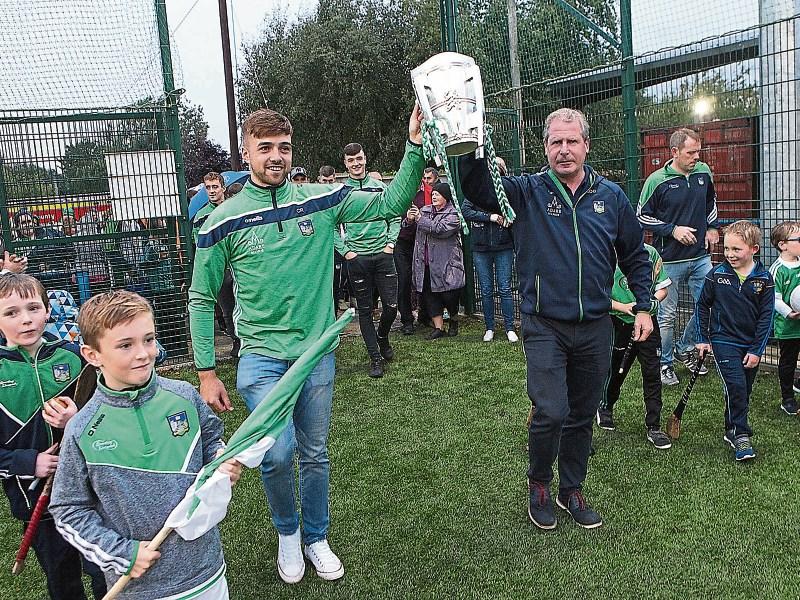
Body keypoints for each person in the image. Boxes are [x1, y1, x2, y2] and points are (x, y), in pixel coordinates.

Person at [189, 105, 424, 583]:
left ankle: (316, 536)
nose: (276, 156)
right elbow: (200, 294)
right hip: (260, 358)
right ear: (247, 151)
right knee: (276, 452)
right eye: (265, 148)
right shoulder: (222, 219)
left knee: (315, 452)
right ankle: (288, 534)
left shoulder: (321, 200)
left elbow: (389, 204)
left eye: (284, 148)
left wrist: (414, 144)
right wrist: (206, 370)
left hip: (316, 355)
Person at [460, 107, 653, 530]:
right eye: (555, 142)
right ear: (545, 148)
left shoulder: (612, 197)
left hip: (596, 325)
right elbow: (476, 187)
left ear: (586, 145)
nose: (564, 150)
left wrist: (642, 306)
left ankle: (572, 489)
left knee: (582, 413)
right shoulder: (527, 191)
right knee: (550, 409)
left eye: (572, 141)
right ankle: (540, 484)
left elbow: (636, 255)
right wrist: (470, 141)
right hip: (544, 323)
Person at [49, 290, 242, 599]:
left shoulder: (185, 396)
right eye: (126, 345)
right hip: (139, 590)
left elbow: (211, 440)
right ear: (92, 355)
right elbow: (67, 508)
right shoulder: (81, 429)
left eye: (149, 339)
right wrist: (121, 554)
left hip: (206, 573)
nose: (143, 353)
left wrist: (221, 461)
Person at [0, 273, 106, 600]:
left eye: (33, 308)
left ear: (48, 311)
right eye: (11, 312)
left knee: (104, 573)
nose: (26, 319)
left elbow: (112, 415)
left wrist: (77, 419)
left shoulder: (76, 357)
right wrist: (28, 461)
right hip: (37, 503)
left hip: (93, 493)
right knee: (62, 581)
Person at [638, 128, 719, 386]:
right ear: (674, 152)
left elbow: (711, 204)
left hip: (700, 258)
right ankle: (665, 364)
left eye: (698, 151)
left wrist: (713, 227)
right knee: (666, 316)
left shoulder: (704, 173)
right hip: (668, 261)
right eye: (691, 152)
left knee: (710, 305)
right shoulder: (656, 180)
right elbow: (642, 215)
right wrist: (673, 230)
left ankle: (686, 348)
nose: (697, 157)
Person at [696, 220, 773, 461]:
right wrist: (702, 338)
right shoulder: (716, 274)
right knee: (736, 386)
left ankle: (731, 427)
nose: (729, 254)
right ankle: (741, 435)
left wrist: (757, 349)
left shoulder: (764, 279)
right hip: (723, 341)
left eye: (736, 249)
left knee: (743, 389)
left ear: (754, 249)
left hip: (750, 343)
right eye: (727, 249)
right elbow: (702, 306)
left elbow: (766, 318)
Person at [336, 142, 400, 377]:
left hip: (383, 256)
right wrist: (346, 252)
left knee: (391, 307)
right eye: (351, 160)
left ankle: (382, 337)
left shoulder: (379, 187)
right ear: (345, 163)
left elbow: (394, 215)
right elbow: (332, 226)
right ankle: (375, 359)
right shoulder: (340, 193)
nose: (356, 163)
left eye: (359, 159)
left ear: (365, 159)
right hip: (357, 259)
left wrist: (390, 244)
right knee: (365, 311)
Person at [599, 244, 672, 449]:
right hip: (617, 322)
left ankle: (654, 425)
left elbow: (662, 288)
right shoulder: (601, 250)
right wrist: (624, 307)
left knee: (651, 372)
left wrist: (647, 306)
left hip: (648, 322)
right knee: (615, 369)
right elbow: (595, 294)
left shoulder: (650, 253)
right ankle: (605, 406)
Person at [462, 157, 518, 343]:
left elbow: (517, 211)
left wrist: (510, 218)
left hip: (504, 246)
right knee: (485, 289)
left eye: (499, 167)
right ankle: (489, 327)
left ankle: (510, 327)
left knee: (504, 287)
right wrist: (491, 217)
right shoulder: (477, 189)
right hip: (481, 247)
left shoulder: (508, 189)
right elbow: (466, 211)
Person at [192, 172, 240, 358]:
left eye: (215, 187)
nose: (211, 191)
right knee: (227, 308)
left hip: (238, 264)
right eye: (208, 187)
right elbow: (201, 244)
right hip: (219, 268)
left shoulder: (234, 209)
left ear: (223, 188)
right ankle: (236, 341)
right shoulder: (201, 217)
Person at [411, 182, 465, 339]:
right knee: (430, 295)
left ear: (446, 197)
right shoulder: (424, 211)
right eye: (433, 193)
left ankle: (454, 320)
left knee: (449, 296)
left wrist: (420, 219)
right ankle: (439, 328)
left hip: (446, 263)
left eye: (438, 194)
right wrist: (409, 220)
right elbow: (411, 227)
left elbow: (440, 229)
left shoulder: (453, 215)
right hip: (425, 262)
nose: (434, 196)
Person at [395, 168, 436, 334]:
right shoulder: (399, 192)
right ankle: (406, 320)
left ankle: (425, 315)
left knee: (425, 278)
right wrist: (408, 220)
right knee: (404, 279)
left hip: (422, 242)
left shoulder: (430, 192)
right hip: (402, 241)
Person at [768, 221, 800, 415]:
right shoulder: (777, 269)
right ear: (783, 245)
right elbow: (775, 298)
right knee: (788, 360)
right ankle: (787, 397)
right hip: (788, 326)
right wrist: (789, 313)